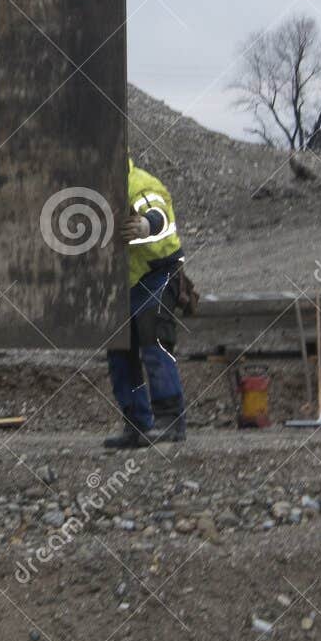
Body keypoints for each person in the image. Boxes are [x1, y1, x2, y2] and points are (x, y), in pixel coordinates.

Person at [104, 157, 188, 448]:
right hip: (124, 283)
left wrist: (145, 224)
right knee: (120, 353)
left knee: (154, 345)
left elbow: (159, 214)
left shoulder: (140, 183)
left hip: (157, 274)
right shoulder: (93, 189)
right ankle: (137, 424)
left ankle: (170, 421)